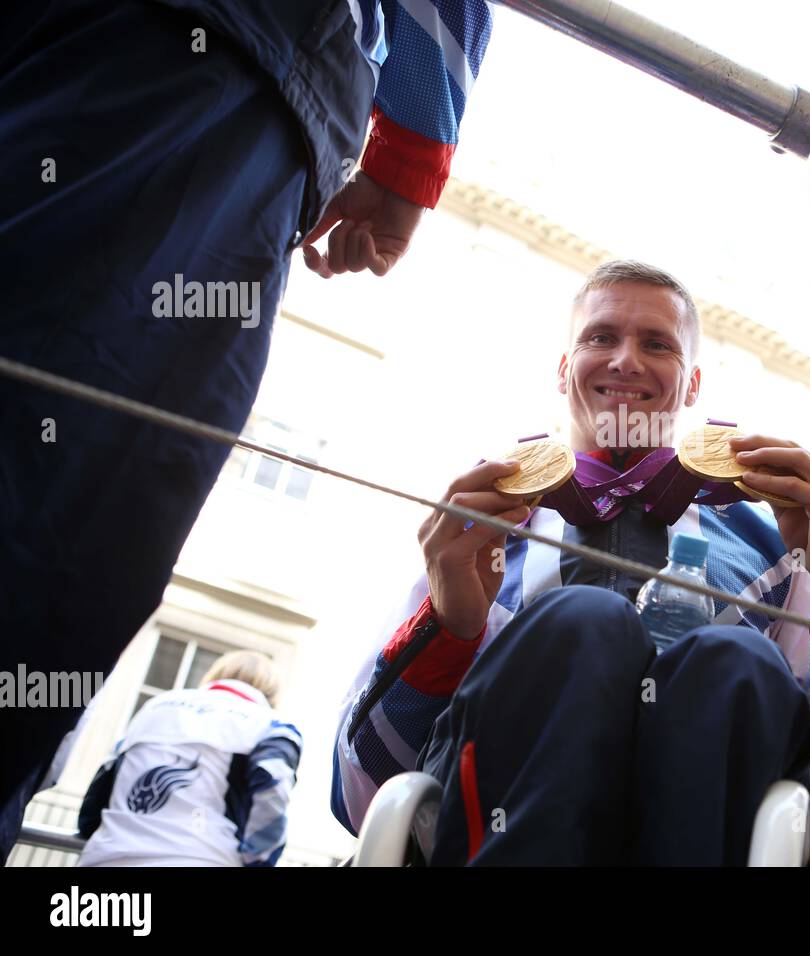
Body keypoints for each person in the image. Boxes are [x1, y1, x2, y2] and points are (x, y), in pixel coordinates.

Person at [0, 0, 492, 855]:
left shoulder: (168, 713)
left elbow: (106, 793)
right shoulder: (265, 731)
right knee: (66, 532)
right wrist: (411, 152)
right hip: (213, 56)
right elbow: (265, 820)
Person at [332, 260, 810, 865]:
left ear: (692, 385)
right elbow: (361, 794)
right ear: (563, 370)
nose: (626, 360)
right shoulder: (477, 531)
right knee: (582, 622)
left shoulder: (779, 547)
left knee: (735, 661)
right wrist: (449, 632)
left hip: (720, 822)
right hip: (496, 823)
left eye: (657, 344)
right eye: (600, 337)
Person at [76, 651, 301, 867]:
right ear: (272, 692)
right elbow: (272, 797)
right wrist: (259, 861)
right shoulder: (271, 726)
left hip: (107, 857)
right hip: (201, 857)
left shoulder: (155, 706)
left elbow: (100, 790)